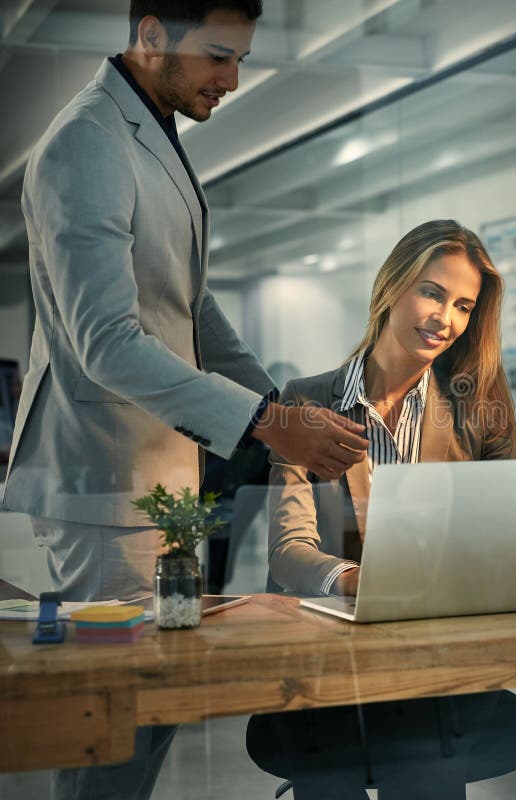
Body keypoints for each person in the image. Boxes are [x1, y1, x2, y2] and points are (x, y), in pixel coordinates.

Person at [1, 2, 366, 798]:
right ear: (153, 34)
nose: (231, 81)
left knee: (147, 723)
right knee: (117, 732)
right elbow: (106, 342)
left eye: (240, 60)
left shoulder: (145, 129)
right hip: (102, 487)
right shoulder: (86, 143)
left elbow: (189, 310)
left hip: (153, 490)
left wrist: (280, 416)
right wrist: (271, 423)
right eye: (217, 57)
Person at [247, 220, 516, 799]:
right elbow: (288, 552)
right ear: (390, 289)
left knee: (426, 762)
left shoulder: (475, 409)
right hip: (329, 673)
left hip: (434, 673)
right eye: (432, 292)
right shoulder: (305, 401)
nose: (445, 319)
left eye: (462, 305)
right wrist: (360, 579)